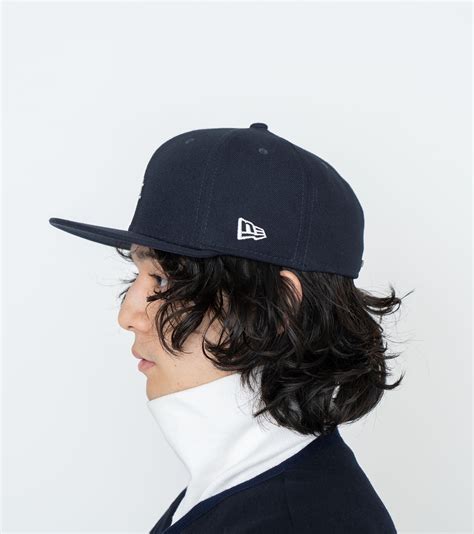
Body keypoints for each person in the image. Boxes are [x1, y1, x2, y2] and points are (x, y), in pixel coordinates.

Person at [50, 122, 408, 532]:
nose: (128, 315)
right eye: (137, 274)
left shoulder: (295, 521)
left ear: (278, 304)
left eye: (163, 280)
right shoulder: (243, 489)